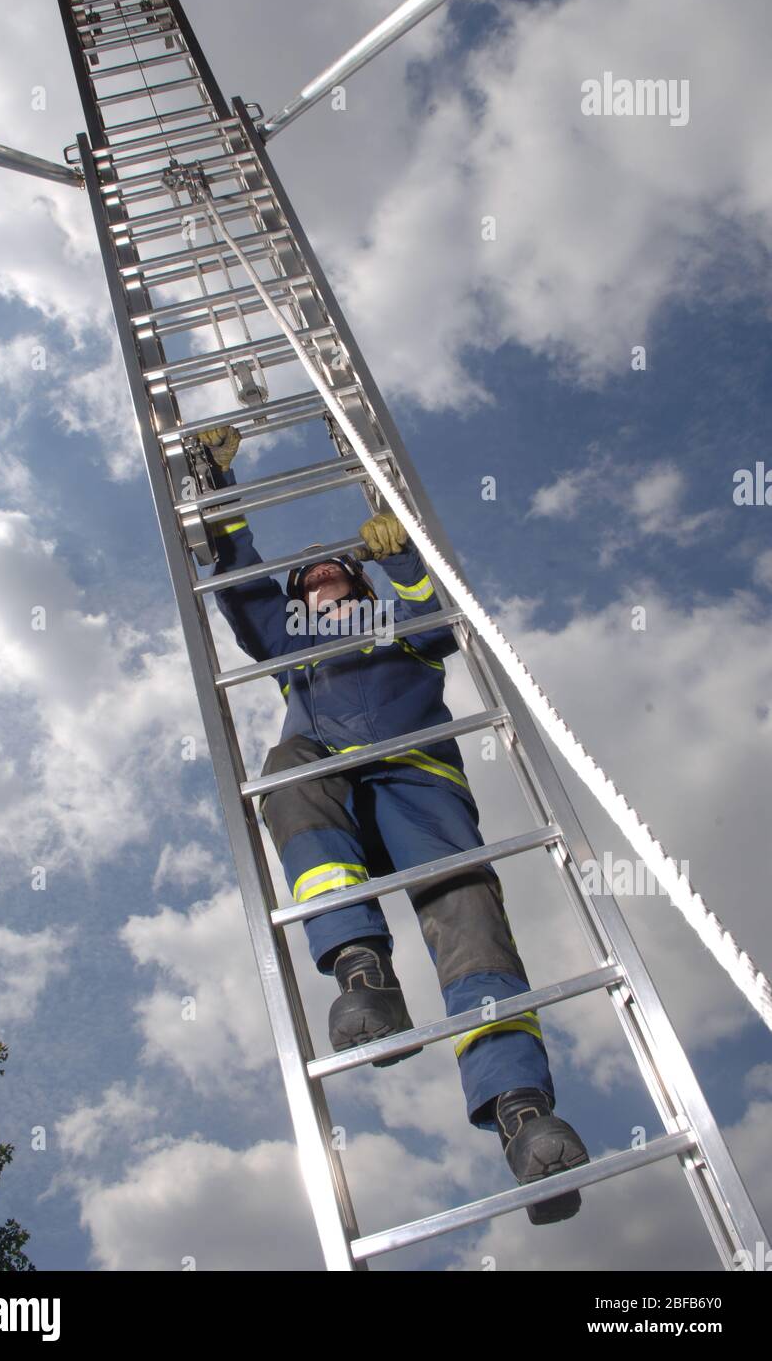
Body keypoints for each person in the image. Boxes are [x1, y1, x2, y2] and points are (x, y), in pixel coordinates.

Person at [198, 423, 590, 1223]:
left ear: (358, 580)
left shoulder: (396, 624)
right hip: (328, 787)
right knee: (286, 778)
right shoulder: (293, 641)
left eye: (333, 568)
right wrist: (219, 497)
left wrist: (402, 554)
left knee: (471, 925)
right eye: (303, 578)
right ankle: (361, 975)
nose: (316, 578)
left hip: (419, 784)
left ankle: (518, 1108)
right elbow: (240, 589)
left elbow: (440, 619)